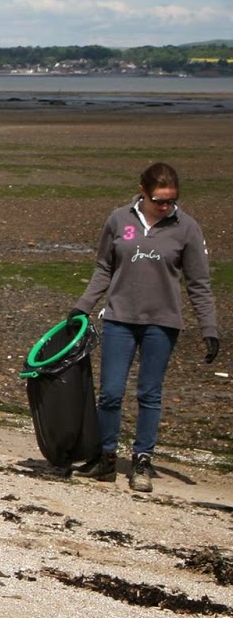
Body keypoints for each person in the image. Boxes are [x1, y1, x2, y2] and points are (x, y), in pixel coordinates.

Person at [71, 162, 219, 491]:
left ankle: (142, 460)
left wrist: (209, 328)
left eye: (171, 200)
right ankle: (105, 459)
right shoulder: (118, 220)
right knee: (110, 393)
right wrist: (82, 307)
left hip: (162, 324)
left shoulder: (186, 228)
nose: (166, 206)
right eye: (159, 200)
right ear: (142, 191)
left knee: (149, 394)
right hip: (120, 319)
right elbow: (103, 269)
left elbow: (199, 283)